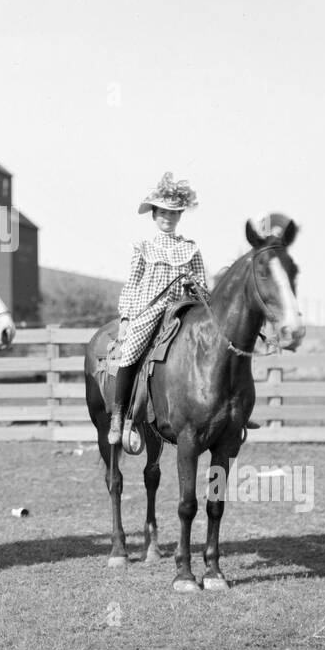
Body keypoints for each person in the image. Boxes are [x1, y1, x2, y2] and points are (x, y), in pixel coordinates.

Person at [108, 172, 210, 446]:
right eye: (163, 212)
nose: (168, 217)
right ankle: (119, 415)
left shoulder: (190, 249)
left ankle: (228, 414)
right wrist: (127, 318)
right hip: (151, 310)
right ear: (154, 215)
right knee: (131, 351)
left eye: (174, 213)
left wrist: (195, 285)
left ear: (180, 217)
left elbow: (202, 283)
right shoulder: (143, 248)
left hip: (186, 308)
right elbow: (132, 284)